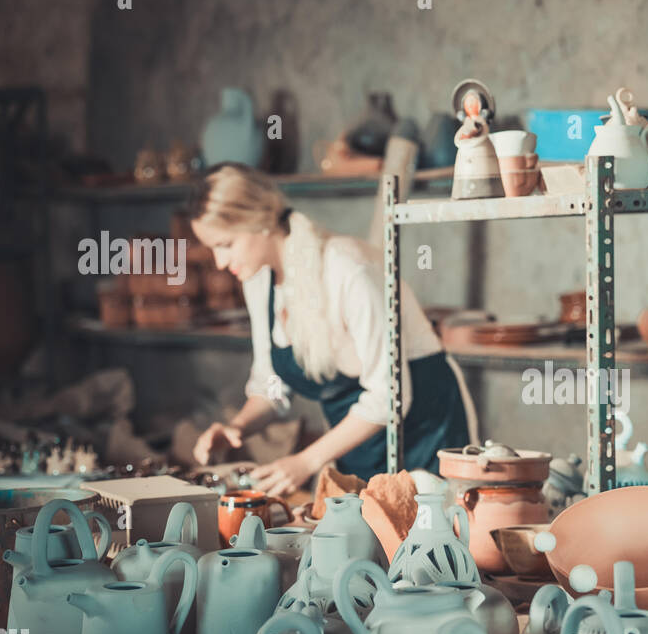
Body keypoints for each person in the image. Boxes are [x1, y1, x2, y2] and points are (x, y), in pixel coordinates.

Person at [188, 163, 468, 494]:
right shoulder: (259, 280)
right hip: (358, 445)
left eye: (226, 244)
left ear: (259, 223)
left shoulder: (348, 269)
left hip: (424, 436)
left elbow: (388, 396)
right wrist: (237, 427)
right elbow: (273, 385)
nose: (219, 263)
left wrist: (306, 461)